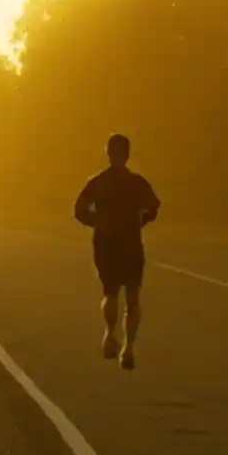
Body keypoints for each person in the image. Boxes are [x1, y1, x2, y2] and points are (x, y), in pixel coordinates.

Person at [73, 133, 160, 370]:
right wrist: (142, 219)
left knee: (112, 292)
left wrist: (97, 221)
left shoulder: (100, 182)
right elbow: (154, 207)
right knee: (131, 296)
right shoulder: (137, 183)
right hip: (127, 243)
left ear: (109, 154)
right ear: (127, 154)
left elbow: (79, 210)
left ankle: (112, 335)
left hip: (109, 244)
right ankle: (127, 348)